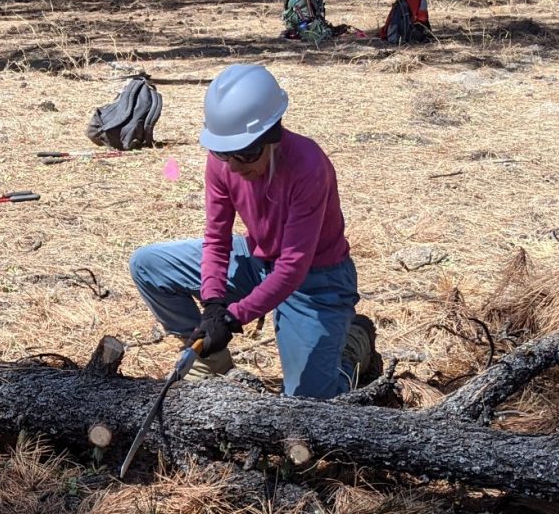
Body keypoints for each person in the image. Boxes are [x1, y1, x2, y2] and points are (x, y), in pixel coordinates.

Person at [127, 63, 376, 400]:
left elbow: (293, 266)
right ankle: (211, 361)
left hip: (318, 281)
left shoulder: (309, 166)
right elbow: (217, 239)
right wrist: (214, 303)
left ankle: (351, 351)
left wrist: (232, 318)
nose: (234, 166)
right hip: (257, 261)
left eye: (245, 155)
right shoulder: (223, 162)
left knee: (308, 407)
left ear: (271, 136)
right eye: (223, 154)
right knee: (148, 265)